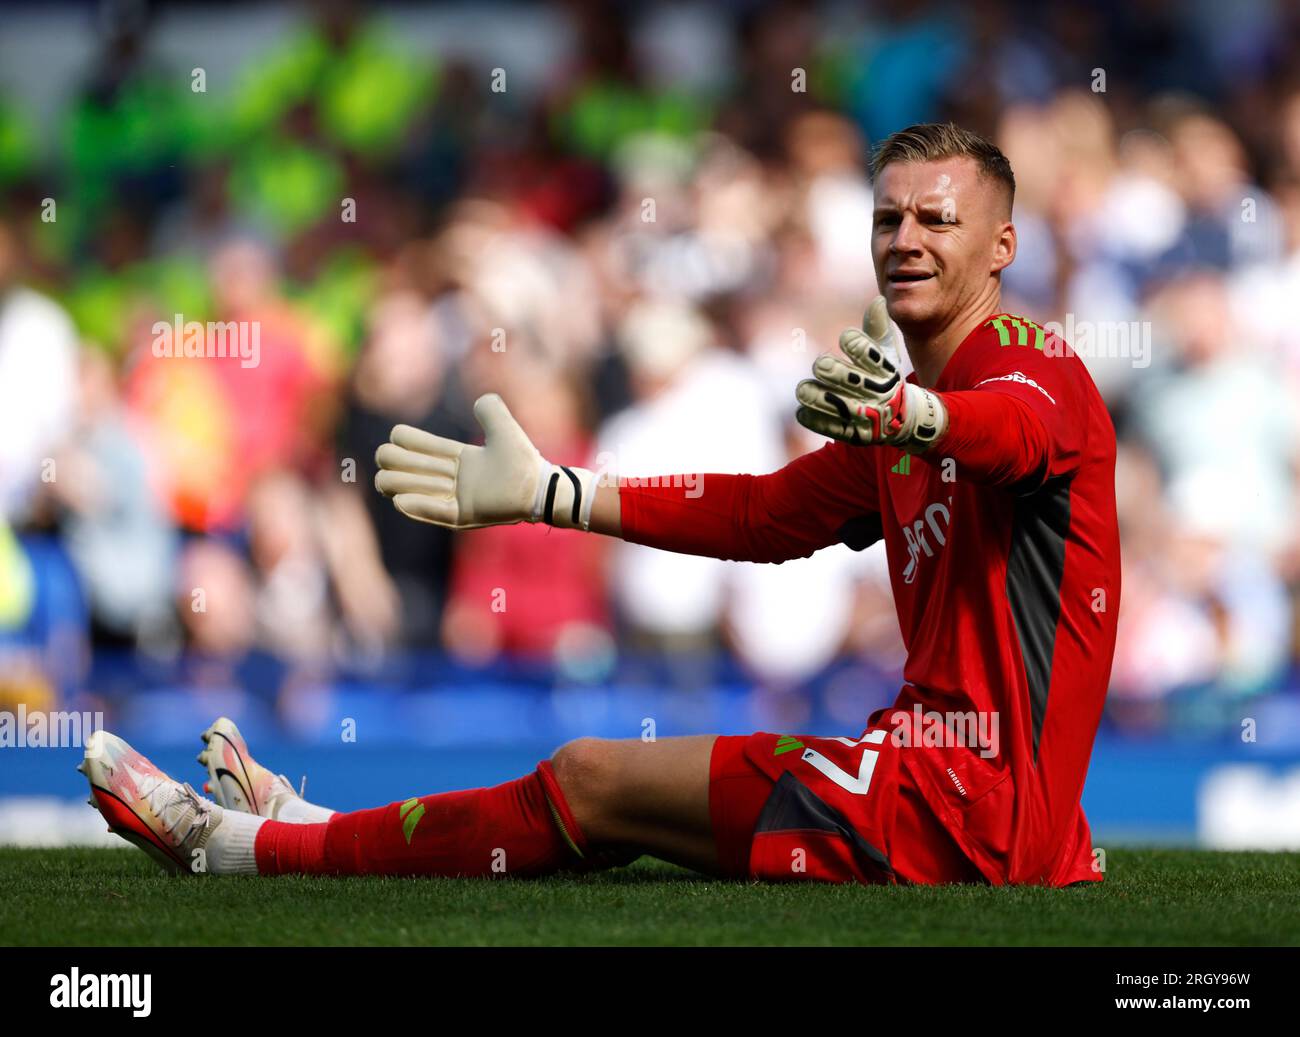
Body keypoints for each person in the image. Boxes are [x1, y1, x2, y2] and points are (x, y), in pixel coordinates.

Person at [80, 123, 1119, 887]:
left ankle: (244, 850)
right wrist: (555, 492)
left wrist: (919, 416)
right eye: (888, 216)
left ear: (1001, 248)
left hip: (963, 811)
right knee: (591, 789)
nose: (905, 237)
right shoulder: (900, 419)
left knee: (586, 781)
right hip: (951, 796)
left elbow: (1014, 437)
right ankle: (302, 825)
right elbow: (762, 515)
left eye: (938, 219)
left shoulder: (1027, 368)